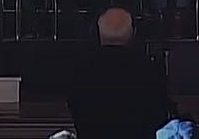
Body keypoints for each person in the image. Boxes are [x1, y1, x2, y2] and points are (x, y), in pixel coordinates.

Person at [67, 7, 172, 139]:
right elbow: (159, 115)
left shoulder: (81, 72)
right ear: (133, 33)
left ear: (97, 32)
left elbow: (76, 111)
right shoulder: (149, 71)